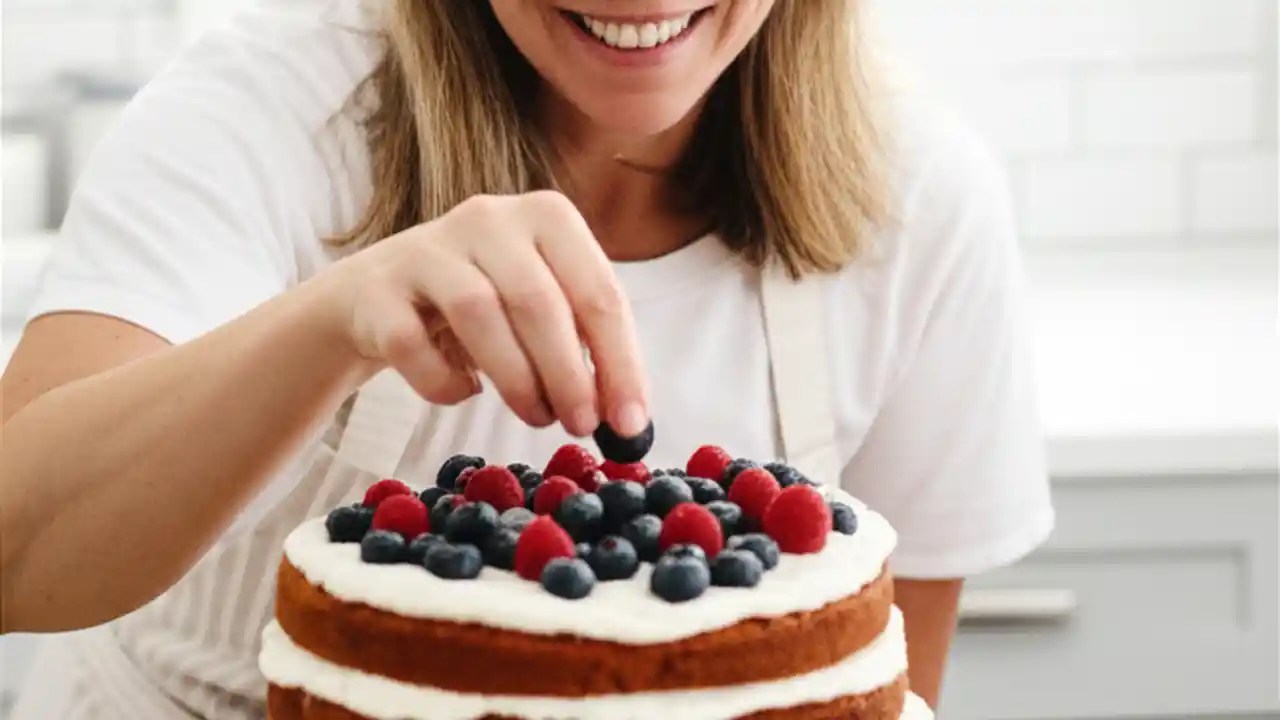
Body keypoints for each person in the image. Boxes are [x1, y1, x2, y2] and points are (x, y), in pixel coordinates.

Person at [0, 0, 1054, 717]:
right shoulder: (265, 107)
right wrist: (332, 318)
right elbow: (13, 558)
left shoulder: (920, 197)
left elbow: (862, 680)